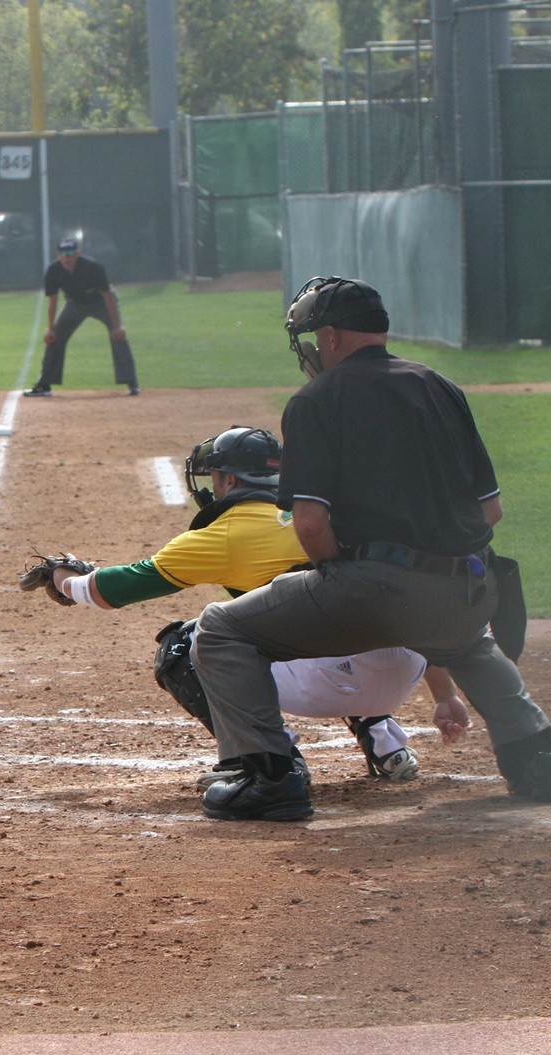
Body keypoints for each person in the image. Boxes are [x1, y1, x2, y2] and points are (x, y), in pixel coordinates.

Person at [190, 276, 551, 821]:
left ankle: (269, 777)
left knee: (220, 628)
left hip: (372, 589)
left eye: (315, 336)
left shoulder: (316, 400)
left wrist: (353, 581)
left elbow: (310, 526)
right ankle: (536, 757)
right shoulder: (440, 387)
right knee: (468, 643)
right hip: (470, 587)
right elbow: (490, 511)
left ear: (333, 336)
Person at [23, 425, 461, 787]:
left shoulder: (225, 533)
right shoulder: (334, 515)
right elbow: (407, 609)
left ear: (229, 481)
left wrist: (62, 574)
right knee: (338, 615)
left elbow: (102, 592)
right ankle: (385, 742)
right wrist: (445, 695)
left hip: (330, 677)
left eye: (215, 477)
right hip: (408, 669)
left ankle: (269, 759)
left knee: (185, 646)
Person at [23, 235, 139, 398]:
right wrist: (50, 328)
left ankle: (131, 382)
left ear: (78, 254)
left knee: (118, 336)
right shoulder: (54, 270)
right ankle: (44, 385)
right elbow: (53, 301)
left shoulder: (93, 267)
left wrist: (117, 325)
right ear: (58, 255)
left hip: (101, 302)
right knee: (55, 338)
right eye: (63, 254)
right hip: (75, 304)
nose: (67, 257)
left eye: (71, 253)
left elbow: (107, 296)